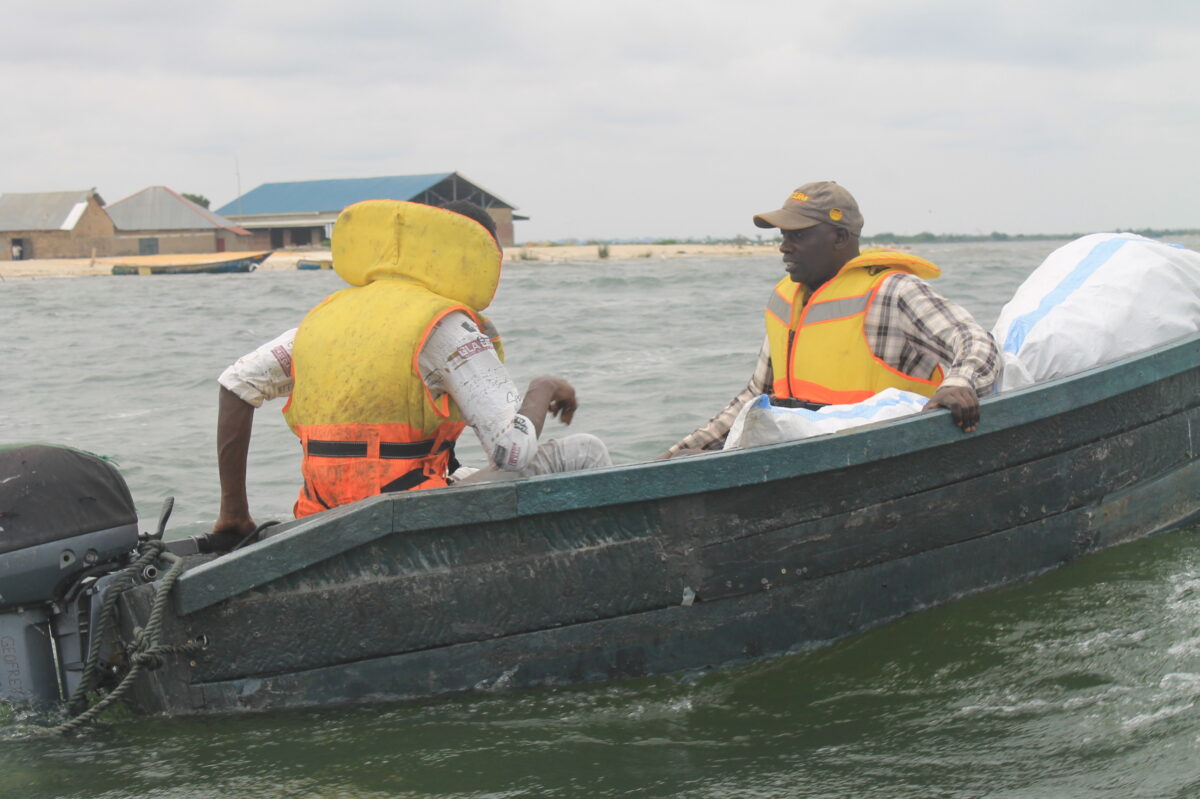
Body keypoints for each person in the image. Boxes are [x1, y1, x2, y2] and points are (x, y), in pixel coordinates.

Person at [206, 199, 610, 552]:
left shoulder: (323, 319)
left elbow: (236, 384)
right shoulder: (445, 325)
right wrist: (544, 388)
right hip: (408, 519)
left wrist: (234, 514)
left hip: (321, 513)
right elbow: (512, 453)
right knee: (585, 451)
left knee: (459, 471)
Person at [665, 181, 999, 457]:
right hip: (807, 464)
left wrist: (960, 383)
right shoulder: (787, 301)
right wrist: (677, 457)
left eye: (798, 235)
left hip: (887, 458)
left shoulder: (893, 292)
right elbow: (753, 397)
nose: (784, 247)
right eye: (783, 235)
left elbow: (974, 340)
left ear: (840, 237)